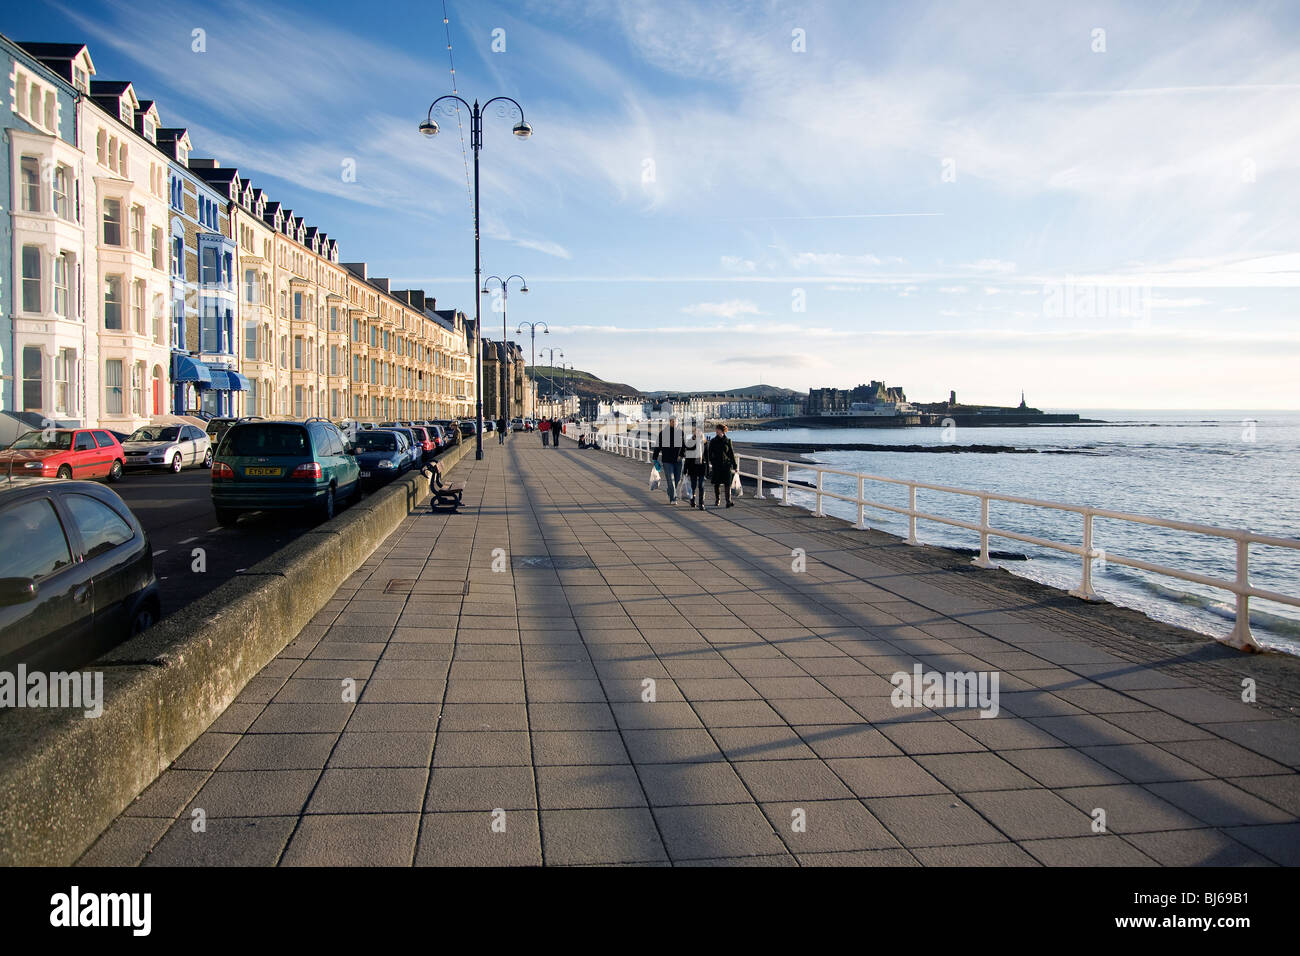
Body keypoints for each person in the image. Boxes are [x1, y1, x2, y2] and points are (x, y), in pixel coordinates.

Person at [652, 416, 687, 504]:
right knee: (670, 480)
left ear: (677, 422)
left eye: (675, 421)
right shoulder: (663, 433)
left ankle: (670, 491)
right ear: (669, 422)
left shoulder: (681, 433)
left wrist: (682, 455)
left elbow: (684, 446)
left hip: (678, 460)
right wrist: (654, 458)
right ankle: (673, 498)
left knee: (677, 480)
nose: (674, 423)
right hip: (667, 460)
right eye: (672, 421)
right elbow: (658, 446)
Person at [706, 423, 738, 508]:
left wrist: (735, 466)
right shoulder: (713, 441)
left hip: (726, 465)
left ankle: (728, 501)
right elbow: (710, 453)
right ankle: (717, 499)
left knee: (727, 484)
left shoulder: (728, 441)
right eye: (716, 429)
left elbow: (731, 453)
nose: (716, 431)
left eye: (718, 429)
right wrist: (712, 462)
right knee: (717, 483)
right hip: (717, 465)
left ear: (722, 431)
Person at [683, 421, 709, 509]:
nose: (698, 433)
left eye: (699, 431)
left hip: (702, 466)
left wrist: (708, 470)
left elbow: (707, 456)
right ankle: (692, 500)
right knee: (693, 485)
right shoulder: (690, 442)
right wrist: (685, 469)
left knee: (701, 486)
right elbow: (687, 457)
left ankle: (701, 503)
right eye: (696, 431)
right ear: (694, 432)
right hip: (692, 467)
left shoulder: (705, 442)